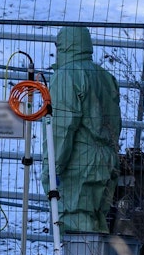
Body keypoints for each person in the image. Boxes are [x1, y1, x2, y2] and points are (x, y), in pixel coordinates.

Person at [47, 26, 122, 234]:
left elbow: (61, 129)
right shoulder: (105, 77)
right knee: (97, 224)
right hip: (106, 161)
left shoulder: (67, 77)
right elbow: (116, 123)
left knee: (75, 224)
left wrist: (51, 169)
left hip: (80, 164)